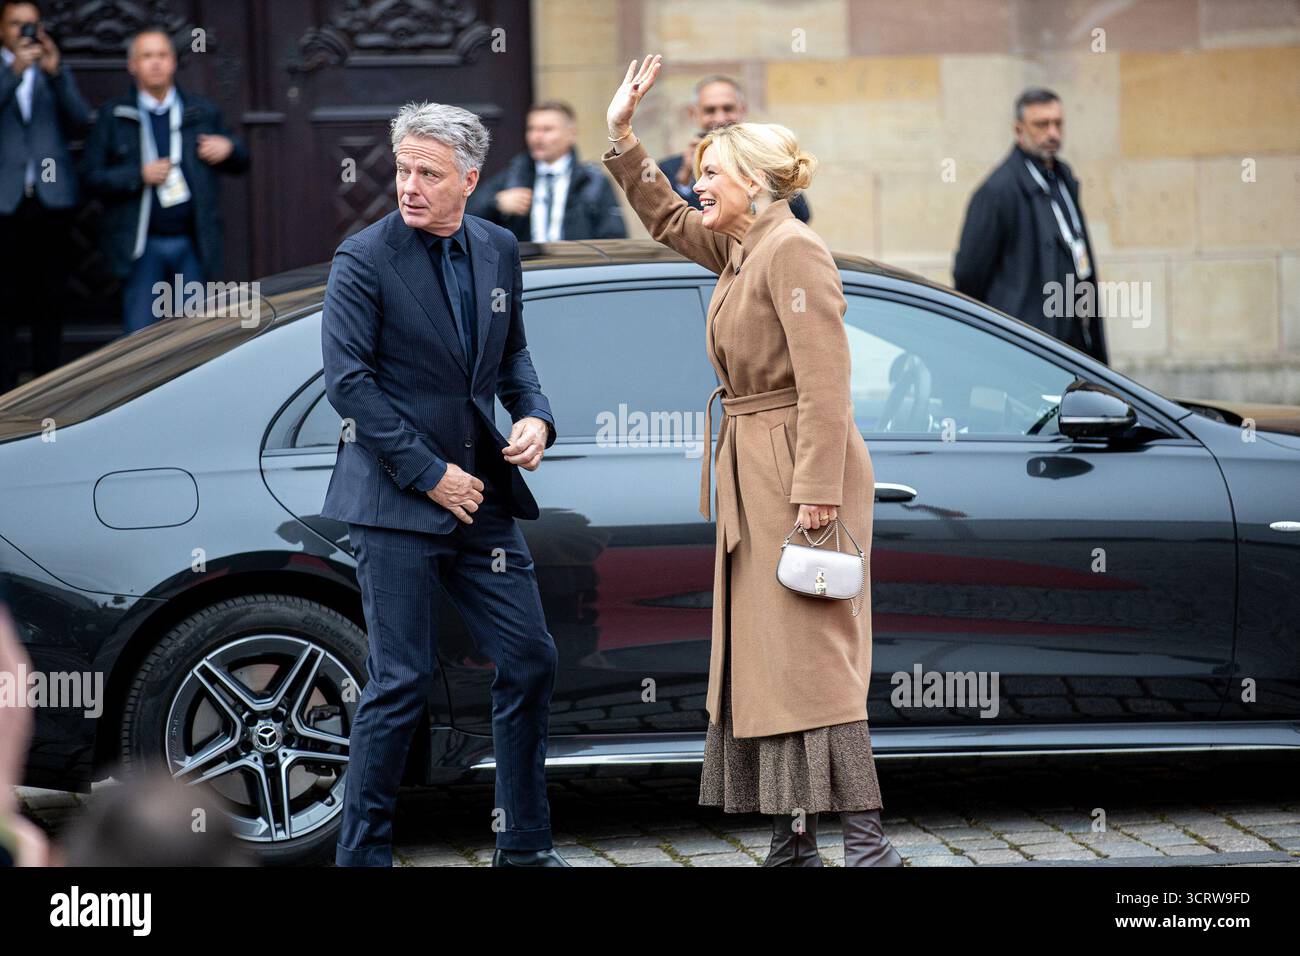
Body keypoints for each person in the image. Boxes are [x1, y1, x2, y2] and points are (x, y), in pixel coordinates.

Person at [603, 55, 902, 867]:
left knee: (814, 658)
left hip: (797, 473)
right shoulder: (743, 247)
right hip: (752, 469)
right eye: (698, 170)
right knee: (769, 662)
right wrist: (624, 137)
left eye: (713, 173)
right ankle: (793, 837)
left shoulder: (791, 249)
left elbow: (827, 386)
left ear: (757, 182)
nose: (699, 183)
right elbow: (666, 220)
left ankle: (867, 844)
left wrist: (816, 494)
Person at [320, 101, 567, 867]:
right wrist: (430, 476)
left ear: (469, 178)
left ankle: (523, 849)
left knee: (529, 659)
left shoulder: (496, 247)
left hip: (482, 499)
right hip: (396, 501)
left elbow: (513, 354)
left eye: (428, 173)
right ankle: (363, 858)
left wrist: (535, 417)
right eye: (402, 170)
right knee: (399, 683)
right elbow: (350, 385)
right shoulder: (362, 258)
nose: (410, 185)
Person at [81, 27, 248, 335]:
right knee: (140, 337)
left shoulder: (200, 112)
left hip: (191, 243)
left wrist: (229, 148)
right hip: (141, 246)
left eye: (162, 55)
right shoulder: (115, 115)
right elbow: (90, 178)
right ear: (132, 65)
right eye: (147, 56)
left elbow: (242, 161)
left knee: (194, 336)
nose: (155, 63)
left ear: (173, 61)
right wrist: (138, 176)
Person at [953, 87, 1109, 365]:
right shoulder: (998, 190)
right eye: (1042, 124)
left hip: (1072, 346)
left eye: (1058, 123)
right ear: (1019, 129)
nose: (1053, 134)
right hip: (1024, 353)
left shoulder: (1063, 180)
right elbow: (968, 278)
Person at [0, 0, 90, 392]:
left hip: (51, 204)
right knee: (2, 303)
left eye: (31, 25)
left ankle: (46, 390)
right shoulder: (6, 70)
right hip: (4, 205)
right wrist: (11, 74)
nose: (25, 32)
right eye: (16, 24)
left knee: (50, 302)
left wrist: (56, 74)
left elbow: (82, 121)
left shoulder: (53, 71)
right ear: (1, 29)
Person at [658, 74, 811, 224]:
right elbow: (671, 223)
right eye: (710, 110)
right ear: (694, 113)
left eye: (728, 108)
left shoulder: (763, 157)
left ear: (742, 109)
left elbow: (801, 215)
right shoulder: (670, 168)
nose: (720, 119)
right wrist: (685, 178)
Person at [466, 99, 625, 242]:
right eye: (532, 129)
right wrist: (495, 203)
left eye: (547, 129)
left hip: (577, 269)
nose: (536, 137)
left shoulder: (593, 181)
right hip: (528, 269)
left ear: (571, 134)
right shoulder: (512, 177)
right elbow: (466, 217)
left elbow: (614, 237)